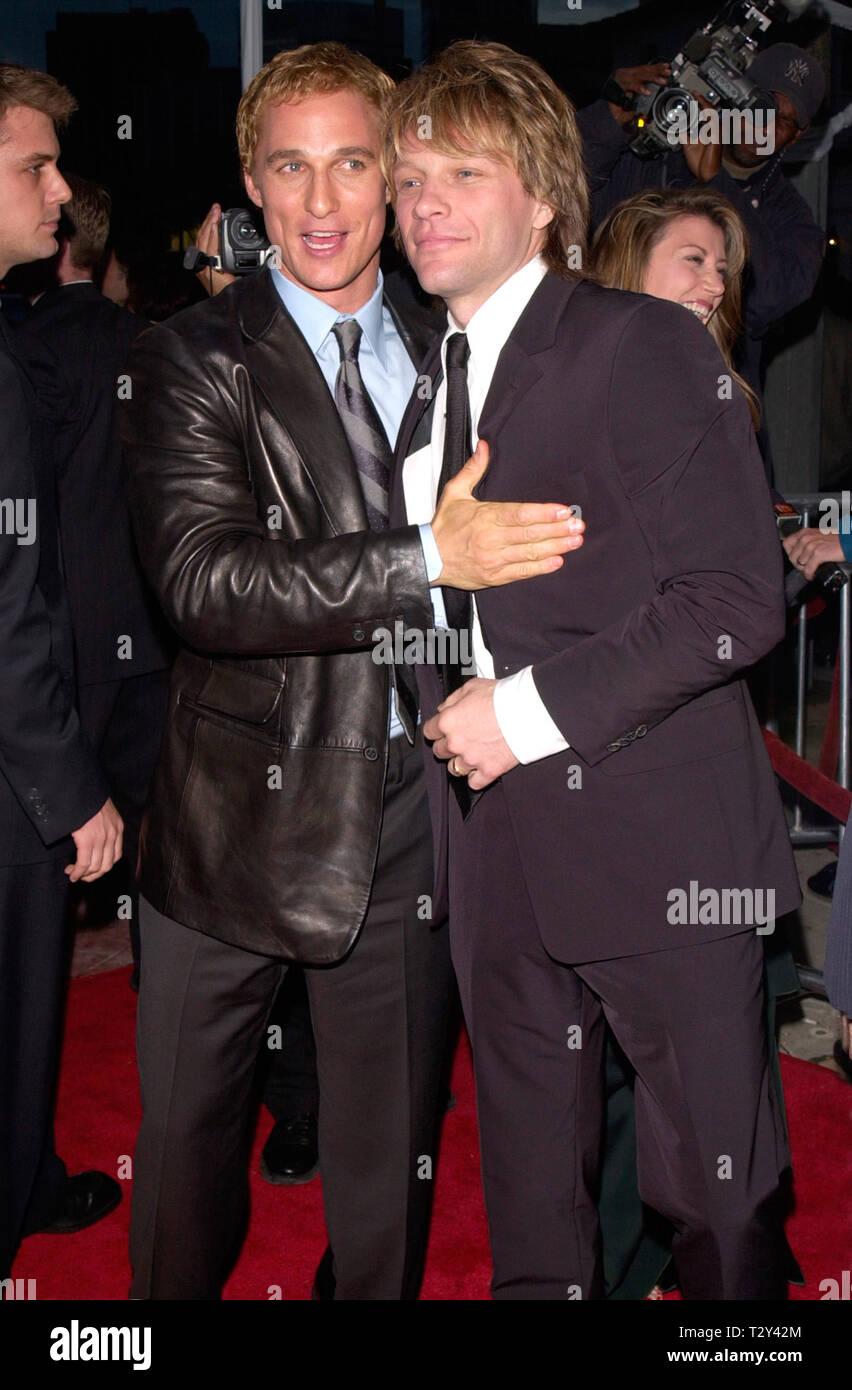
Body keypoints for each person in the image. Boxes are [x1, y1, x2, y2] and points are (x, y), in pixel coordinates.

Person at [121, 41, 583, 1301]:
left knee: (390, 1163)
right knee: (183, 1153)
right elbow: (207, 587)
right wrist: (433, 551)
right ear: (251, 189)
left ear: (395, 178)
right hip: (234, 813)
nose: (320, 204)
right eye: (289, 168)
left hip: (416, 803)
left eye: (351, 165)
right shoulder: (190, 358)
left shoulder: (463, 340)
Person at [386, 38, 801, 1300]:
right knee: (530, 1201)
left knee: (717, 1211)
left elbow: (739, 599)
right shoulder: (427, 390)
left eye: (464, 170)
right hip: (495, 853)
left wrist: (520, 714)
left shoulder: (639, 344)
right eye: (410, 178)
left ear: (546, 199)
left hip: (661, 845)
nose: (424, 203)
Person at [0, 62, 124, 1280]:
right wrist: (70, 786)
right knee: (20, 1012)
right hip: (13, 774)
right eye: (35, 165)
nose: (61, 188)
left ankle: (28, 1179)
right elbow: (7, 607)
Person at [22, 173, 173, 985]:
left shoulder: (25, 347)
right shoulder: (152, 344)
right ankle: (163, 985)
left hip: (60, 643)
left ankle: (35, 999)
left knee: (55, 834)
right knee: (155, 832)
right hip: (149, 630)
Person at [578, 43, 826, 472]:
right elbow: (548, 192)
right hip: (605, 414)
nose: (762, 125)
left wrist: (716, 182)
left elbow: (766, 296)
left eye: (783, 120)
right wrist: (612, 115)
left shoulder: (794, 221)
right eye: (758, 104)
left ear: (798, 134)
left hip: (712, 443)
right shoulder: (649, 158)